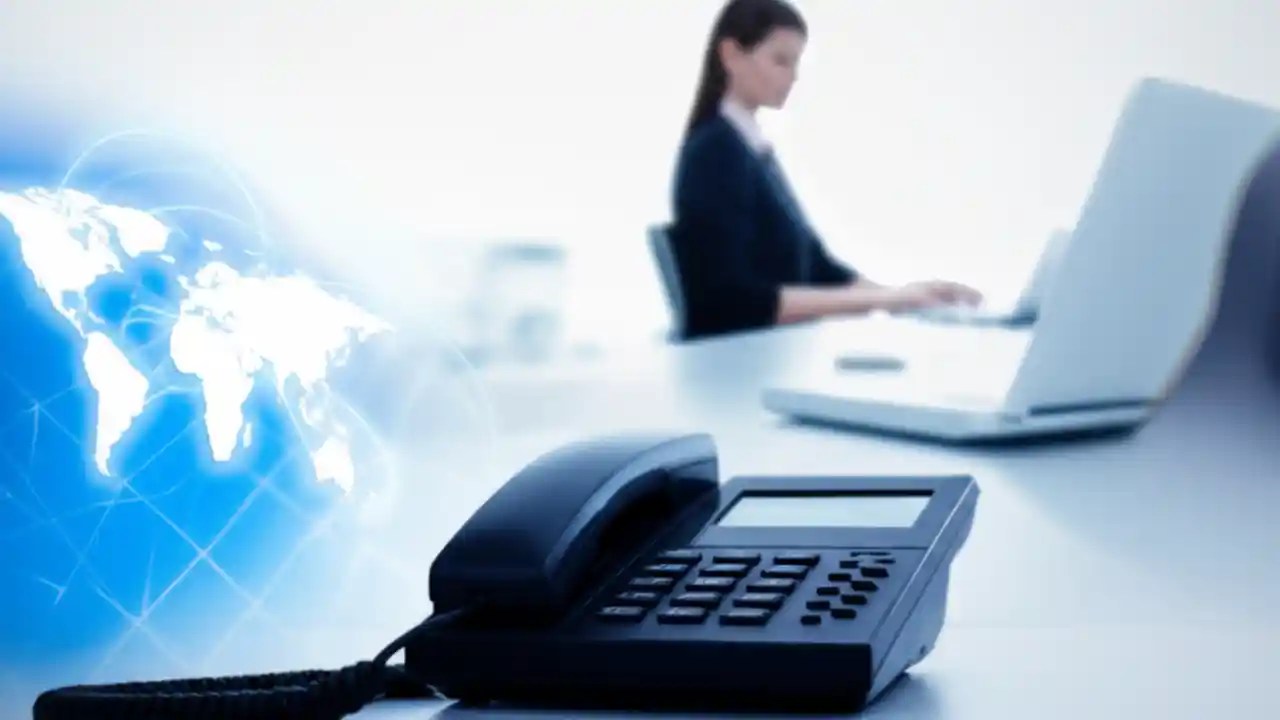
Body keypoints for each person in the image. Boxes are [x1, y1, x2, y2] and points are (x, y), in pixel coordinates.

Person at [668, 0, 982, 339]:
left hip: (771, 353)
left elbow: (818, 268)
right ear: (730, 55)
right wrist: (888, 299)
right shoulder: (715, 151)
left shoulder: (750, 149)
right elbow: (732, 300)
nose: (792, 76)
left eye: (796, 63)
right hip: (740, 364)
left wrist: (906, 297)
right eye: (781, 60)